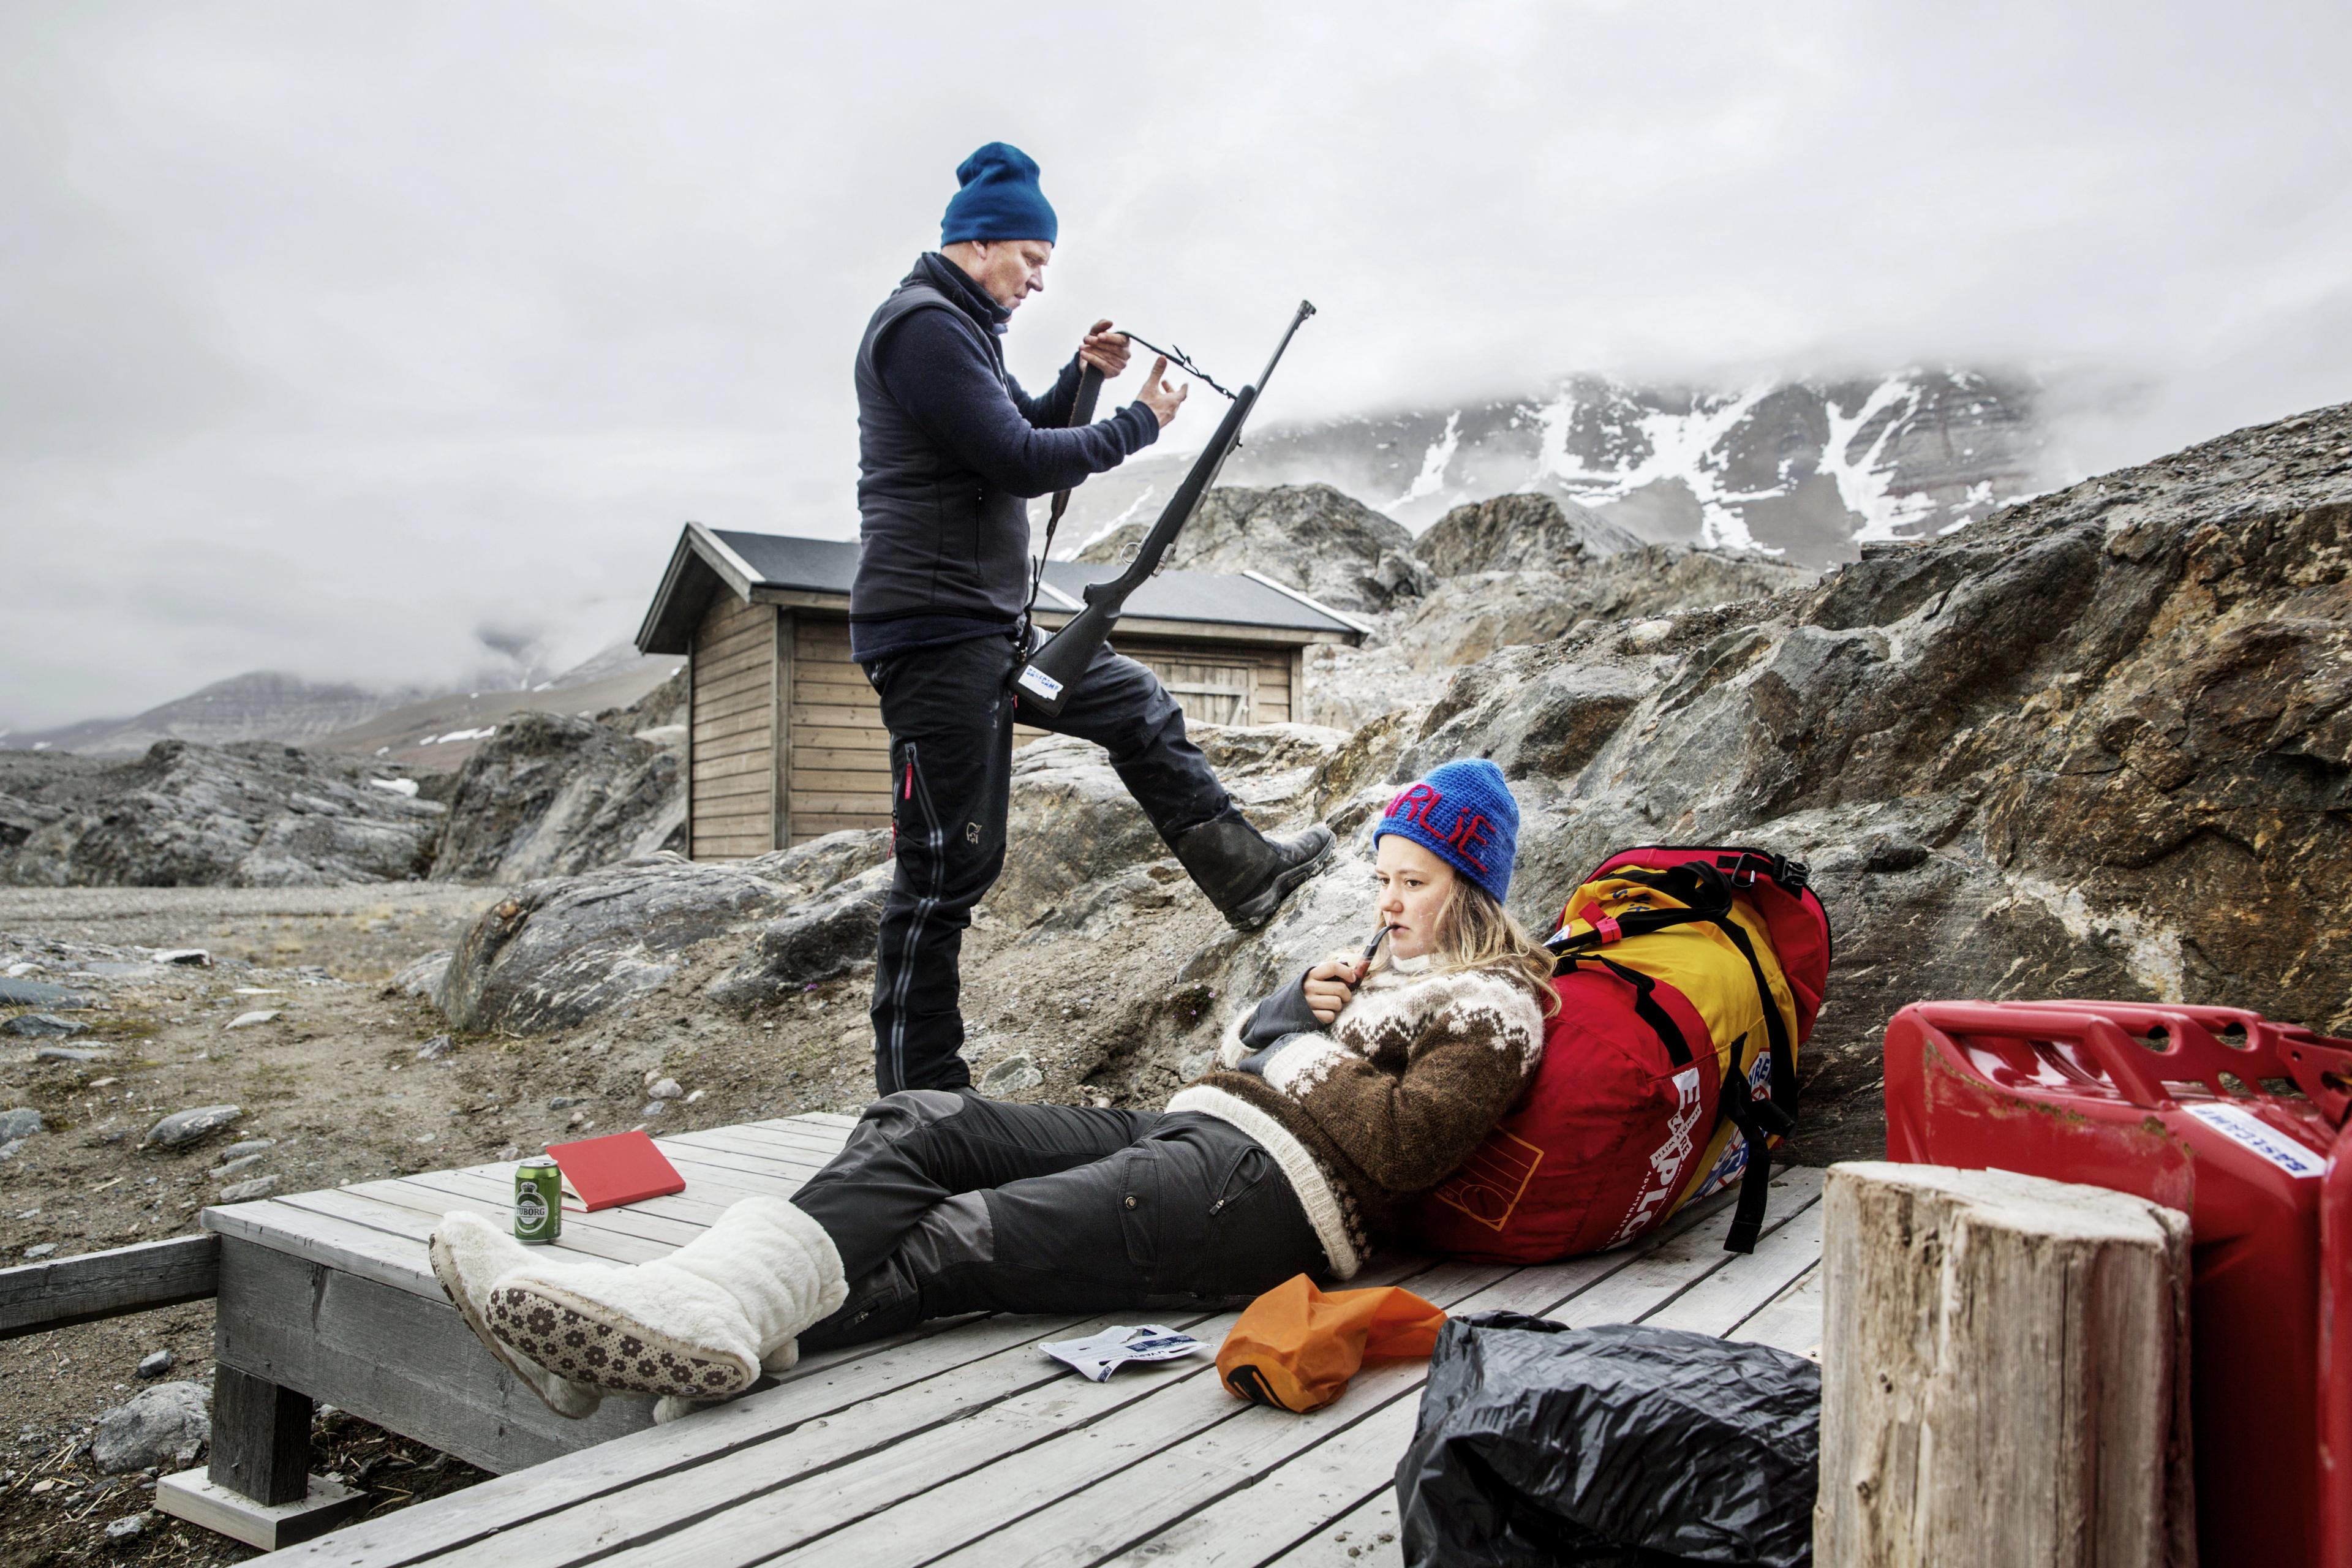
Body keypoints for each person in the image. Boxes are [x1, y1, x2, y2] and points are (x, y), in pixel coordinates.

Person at [429, 761, 1555, 1415]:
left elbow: (1407, 1143)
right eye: (1384, 880)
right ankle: (666, 1314)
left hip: (1267, 1203)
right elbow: (1260, 1059)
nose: (1389, 903)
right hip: (1196, 1135)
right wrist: (1286, 1012)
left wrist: (1303, 1051)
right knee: (926, 1120)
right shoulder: (1382, 975)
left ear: (1473, 889)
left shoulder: (1495, 1008)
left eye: (1412, 883)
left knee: (961, 1235)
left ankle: (650, 1335)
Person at [850, 140, 1333, 1098]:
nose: (1037, 281)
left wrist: (1084, 378)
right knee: (948, 869)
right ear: (979, 241)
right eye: (1031, 259)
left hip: (986, 627)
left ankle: (1251, 878)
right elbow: (1018, 457)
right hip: (937, 635)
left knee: (1134, 706)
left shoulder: (956, 328)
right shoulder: (921, 327)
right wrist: (1140, 424)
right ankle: (922, 1097)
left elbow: (1008, 430)